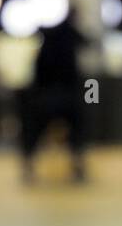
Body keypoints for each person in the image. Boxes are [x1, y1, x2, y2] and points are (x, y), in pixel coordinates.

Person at [22, 12, 88, 184]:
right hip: (64, 93)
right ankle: (78, 165)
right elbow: (87, 42)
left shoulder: (47, 41)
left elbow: (37, 73)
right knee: (76, 129)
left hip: (46, 93)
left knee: (36, 131)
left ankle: (29, 165)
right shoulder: (68, 36)